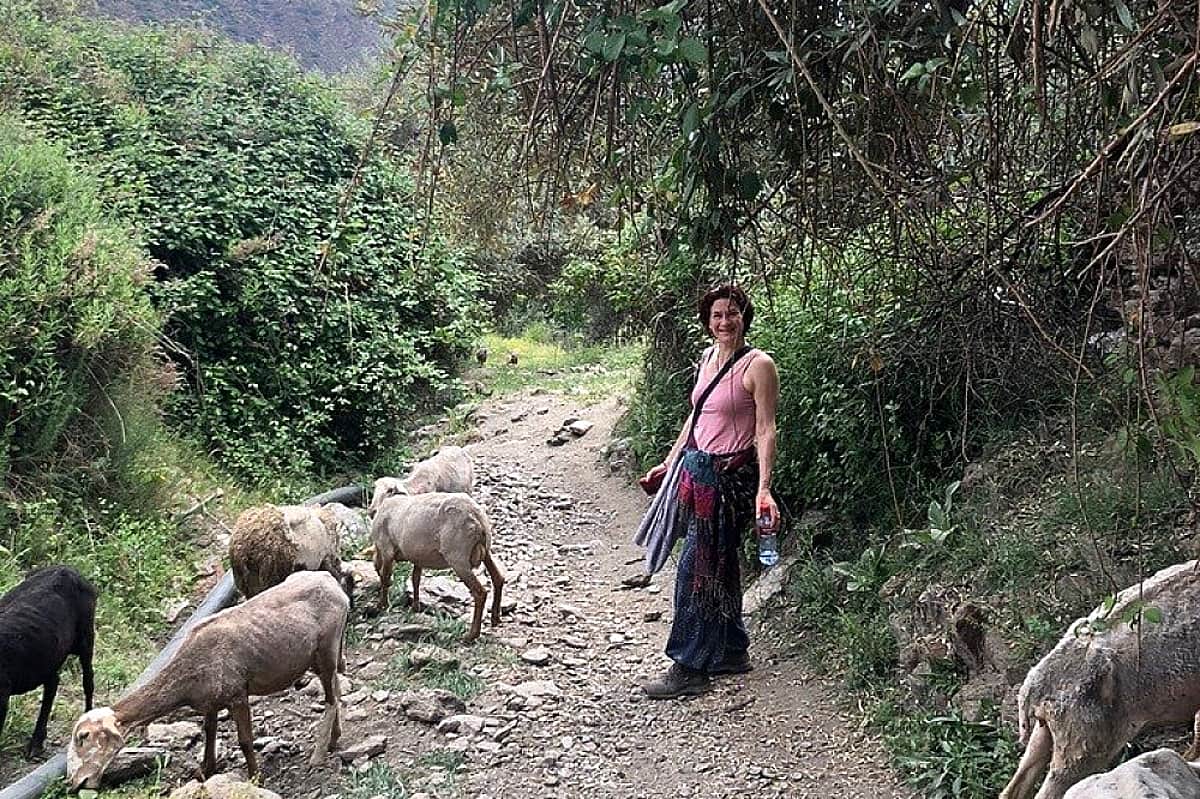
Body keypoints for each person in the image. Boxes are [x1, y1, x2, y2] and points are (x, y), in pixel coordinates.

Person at [638, 284, 780, 699]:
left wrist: (764, 489)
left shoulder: (758, 365)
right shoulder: (707, 358)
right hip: (697, 469)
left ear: (744, 317)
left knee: (696, 569)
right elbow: (696, 417)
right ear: (707, 322)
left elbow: (766, 429)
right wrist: (670, 461)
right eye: (717, 315)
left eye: (732, 314)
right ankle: (731, 650)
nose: (724, 322)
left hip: (728, 479)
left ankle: (689, 666)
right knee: (720, 565)